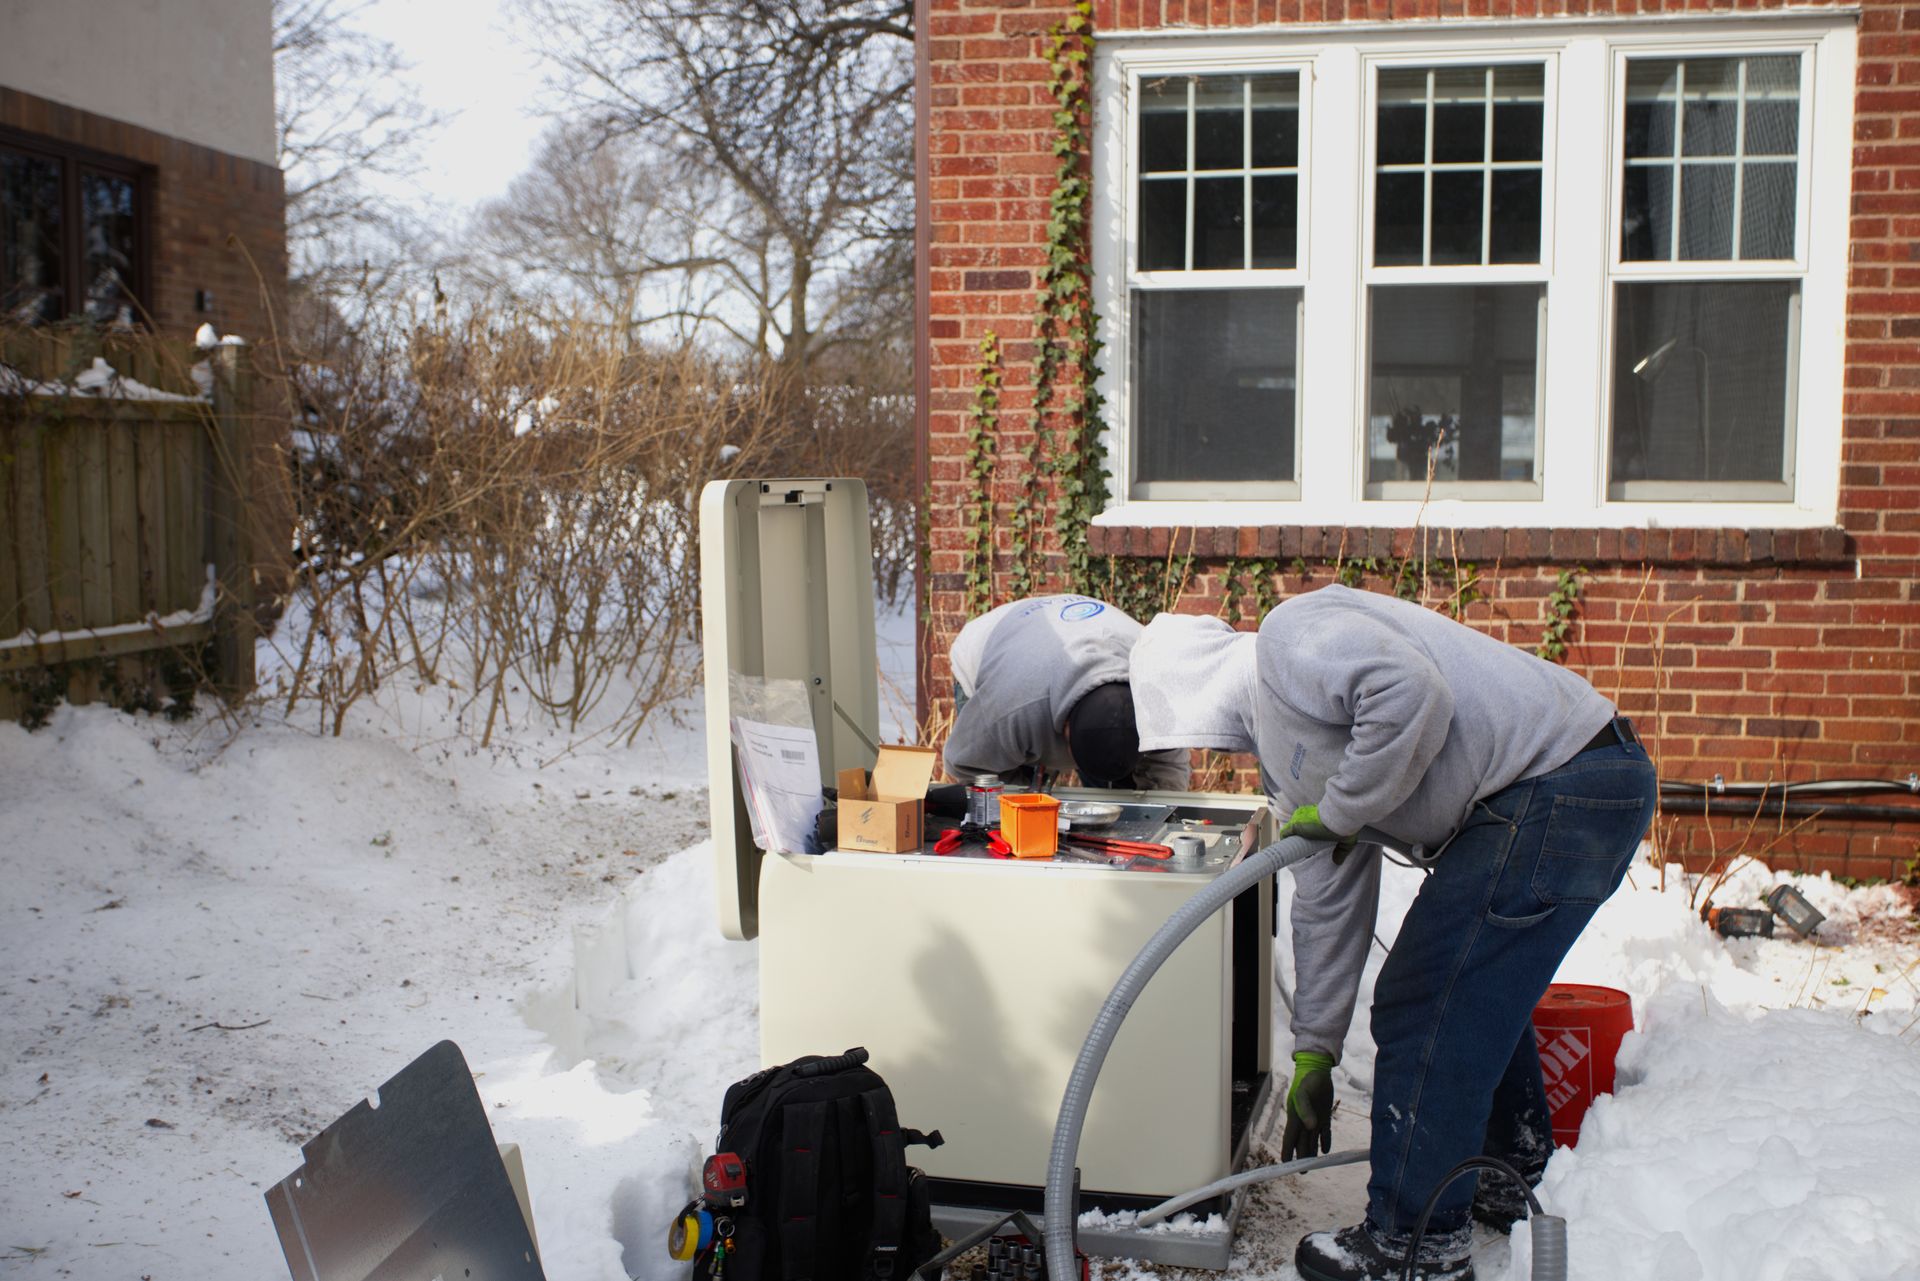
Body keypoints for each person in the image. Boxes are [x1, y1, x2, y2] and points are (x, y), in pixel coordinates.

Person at [1129, 586, 1656, 1281]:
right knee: (1474, 983)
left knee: (1427, 995)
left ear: (1188, 689)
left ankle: (1414, 1243)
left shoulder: (1290, 640)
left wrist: (1345, 808)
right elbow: (1326, 899)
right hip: (1564, 785)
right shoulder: (1287, 751)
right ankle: (1507, 1169)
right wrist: (1315, 1050)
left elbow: (1413, 693)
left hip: (1563, 777)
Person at [942, 595, 1189, 791]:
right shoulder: (1011, 709)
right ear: (1065, 731)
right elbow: (966, 764)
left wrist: (1160, 809)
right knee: (1012, 807)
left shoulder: (1156, 693)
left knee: (1117, 791)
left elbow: (1167, 770)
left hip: (1081, 634)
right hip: (991, 643)